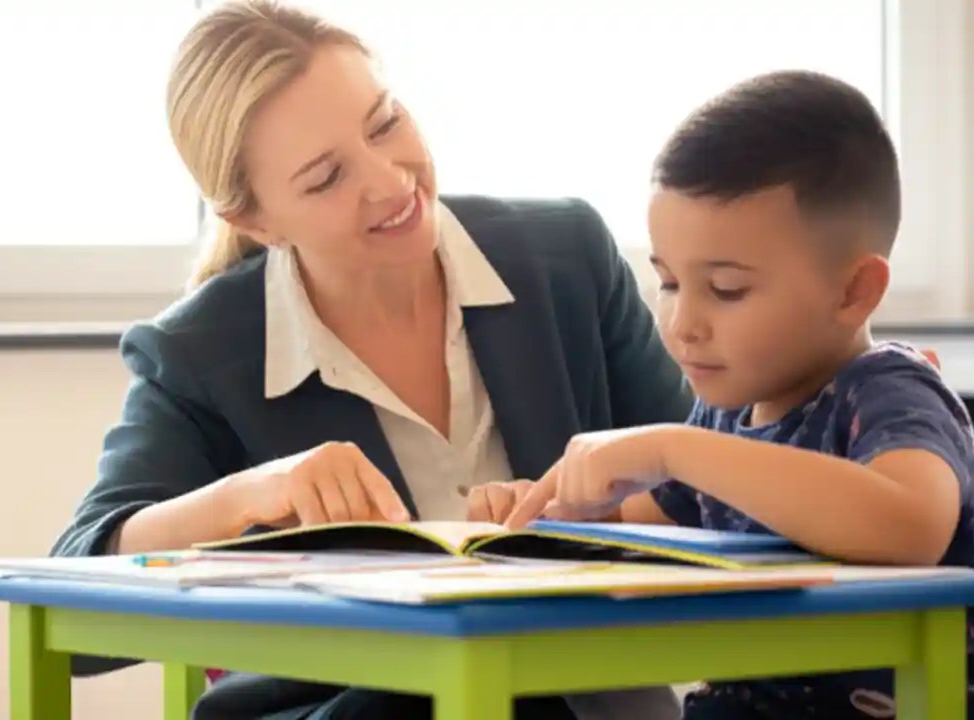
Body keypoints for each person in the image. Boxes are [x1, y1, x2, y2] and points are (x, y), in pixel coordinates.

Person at [49, 1, 689, 718]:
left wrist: (579, 516)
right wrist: (251, 494)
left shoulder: (566, 256)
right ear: (255, 221)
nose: (390, 182)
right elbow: (76, 619)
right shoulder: (201, 353)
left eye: (385, 123)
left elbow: (708, 491)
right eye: (326, 178)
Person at [502, 71, 974, 719]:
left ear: (853, 292)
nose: (683, 325)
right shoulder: (727, 414)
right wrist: (550, 508)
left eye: (727, 289)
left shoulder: (892, 393)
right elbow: (634, 521)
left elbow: (910, 523)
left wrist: (674, 447)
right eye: (669, 283)